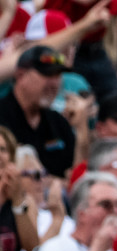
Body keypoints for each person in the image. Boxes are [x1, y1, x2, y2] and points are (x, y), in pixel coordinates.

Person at [0, 46, 75, 179]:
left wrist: (81, 130)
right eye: (47, 75)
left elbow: (73, 177)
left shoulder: (59, 122)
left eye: (58, 75)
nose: (53, 83)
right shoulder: (2, 116)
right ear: (20, 75)